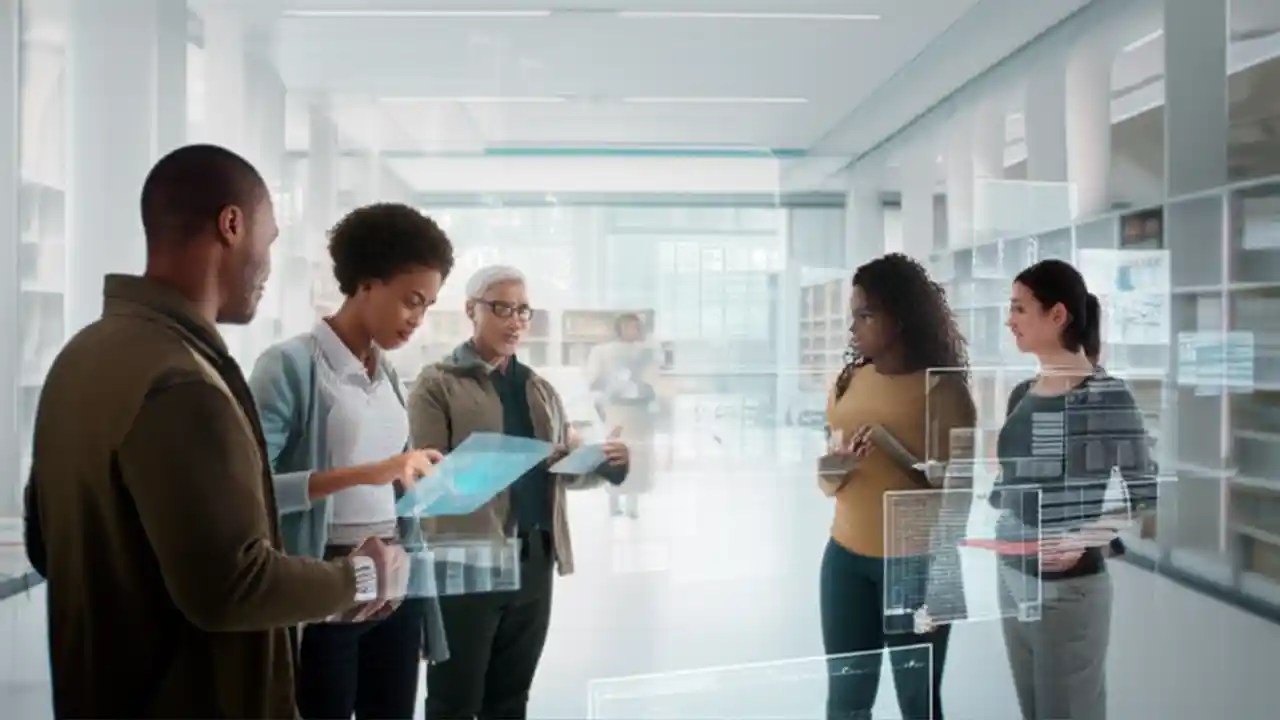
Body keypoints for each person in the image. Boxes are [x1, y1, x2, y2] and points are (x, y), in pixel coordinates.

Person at [22, 144, 408, 719]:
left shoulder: (81, 357)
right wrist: (360, 574)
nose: (269, 266)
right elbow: (233, 586)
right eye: (269, 240)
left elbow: (44, 544)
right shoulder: (182, 382)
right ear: (232, 225)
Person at [248, 202, 456, 719]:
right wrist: (372, 472)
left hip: (395, 586)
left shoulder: (387, 376)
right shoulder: (290, 366)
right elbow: (248, 489)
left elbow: (394, 489)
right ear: (367, 283)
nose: (417, 318)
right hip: (325, 588)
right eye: (411, 300)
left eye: (427, 306)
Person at [408, 264, 631, 719]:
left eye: (524, 311)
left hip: (535, 558)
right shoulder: (437, 383)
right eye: (502, 308)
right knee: (455, 699)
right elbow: (427, 477)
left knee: (510, 697)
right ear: (472, 310)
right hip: (469, 561)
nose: (515, 321)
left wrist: (604, 465)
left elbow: (557, 470)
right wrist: (497, 462)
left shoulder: (540, 389)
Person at [991, 259, 1158, 720]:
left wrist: (1084, 538)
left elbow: (1144, 490)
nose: (1010, 320)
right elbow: (1008, 483)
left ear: (1057, 316)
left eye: (1020, 308)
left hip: (1070, 590)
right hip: (1012, 579)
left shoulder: (1106, 397)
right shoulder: (1022, 392)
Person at [820, 253, 976, 720]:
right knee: (846, 704)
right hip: (844, 559)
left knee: (918, 704)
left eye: (866, 315)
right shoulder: (849, 380)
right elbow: (827, 479)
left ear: (902, 316)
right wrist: (839, 466)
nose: (855, 329)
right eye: (854, 316)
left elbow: (957, 494)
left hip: (917, 565)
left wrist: (896, 453)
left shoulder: (942, 391)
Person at [586, 312, 660, 518]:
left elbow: (654, 380)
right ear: (619, 328)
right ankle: (613, 500)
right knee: (615, 453)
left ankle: (632, 503)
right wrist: (612, 386)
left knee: (638, 457)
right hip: (616, 409)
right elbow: (594, 380)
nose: (633, 331)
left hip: (639, 410)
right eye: (629, 326)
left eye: (637, 327)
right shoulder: (603, 351)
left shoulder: (647, 352)